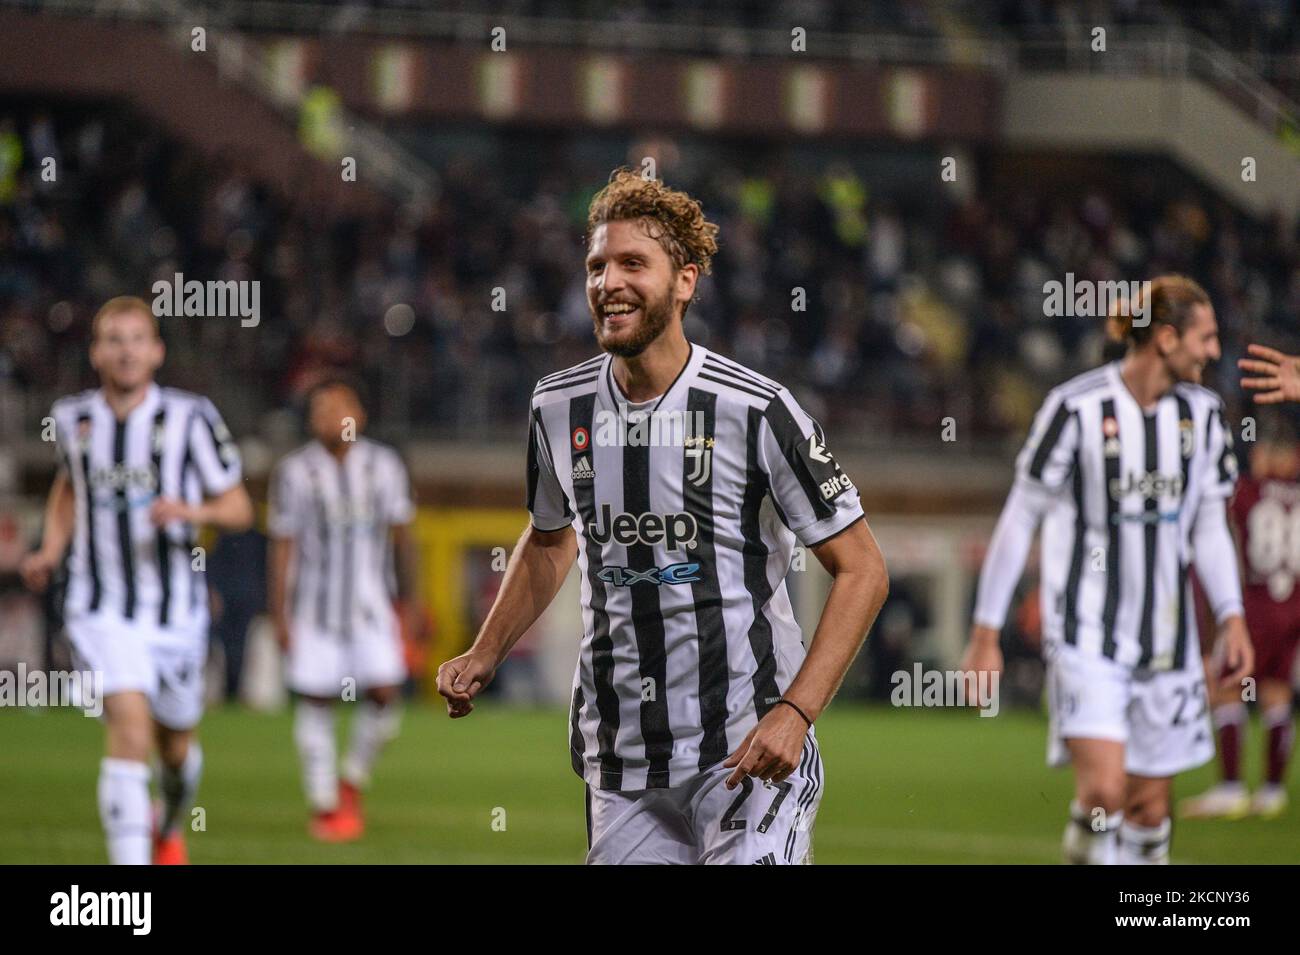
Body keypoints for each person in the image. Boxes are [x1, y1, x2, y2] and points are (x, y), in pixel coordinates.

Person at [436, 169, 890, 865]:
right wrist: (485, 650)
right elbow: (550, 540)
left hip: (747, 751)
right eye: (596, 265)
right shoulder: (556, 408)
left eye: (631, 264)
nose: (607, 282)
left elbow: (862, 567)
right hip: (620, 765)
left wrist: (796, 711)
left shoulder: (756, 409)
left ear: (685, 280)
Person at [962, 276, 1253, 864]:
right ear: (1167, 339)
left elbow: (1208, 527)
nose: (1216, 352)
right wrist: (985, 634)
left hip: (1168, 645)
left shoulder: (1206, 418)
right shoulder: (1076, 408)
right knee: (1103, 793)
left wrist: (1232, 616)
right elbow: (1021, 518)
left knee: (1148, 808)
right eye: (1208, 336)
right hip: (1085, 635)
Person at [19, 295, 253, 864]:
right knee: (128, 723)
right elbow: (69, 488)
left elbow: (240, 508)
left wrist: (191, 512)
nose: (125, 350)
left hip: (176, 613)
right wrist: (52, 547)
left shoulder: (191, 417)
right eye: (113, 339)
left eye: (136, 339)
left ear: (156, 352)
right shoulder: (73, 419)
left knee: (176, 749)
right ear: (96, 352)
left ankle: (169, 824)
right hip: (100, 607)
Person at [268, 377, 419, 841]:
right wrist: (279, 612)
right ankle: (324, 803)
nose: (333, 417)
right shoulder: (295, 472)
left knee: (386, 696)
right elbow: (283, 545)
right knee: (315, 699)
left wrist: (411, 604)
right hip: (315, 609)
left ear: (361, 415)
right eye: (322, 409)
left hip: (371, 607)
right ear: (311, 420)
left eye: (341, 407)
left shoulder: (384, 465)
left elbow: (403, 537)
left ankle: (351, 777)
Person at [1181, 416, 1300, 819]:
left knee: (1228, 688)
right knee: (1276, 696)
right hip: (1294, 608)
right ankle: (1271, 791)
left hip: (1256, 606)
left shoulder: (1248, 491)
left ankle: (1231, 787)